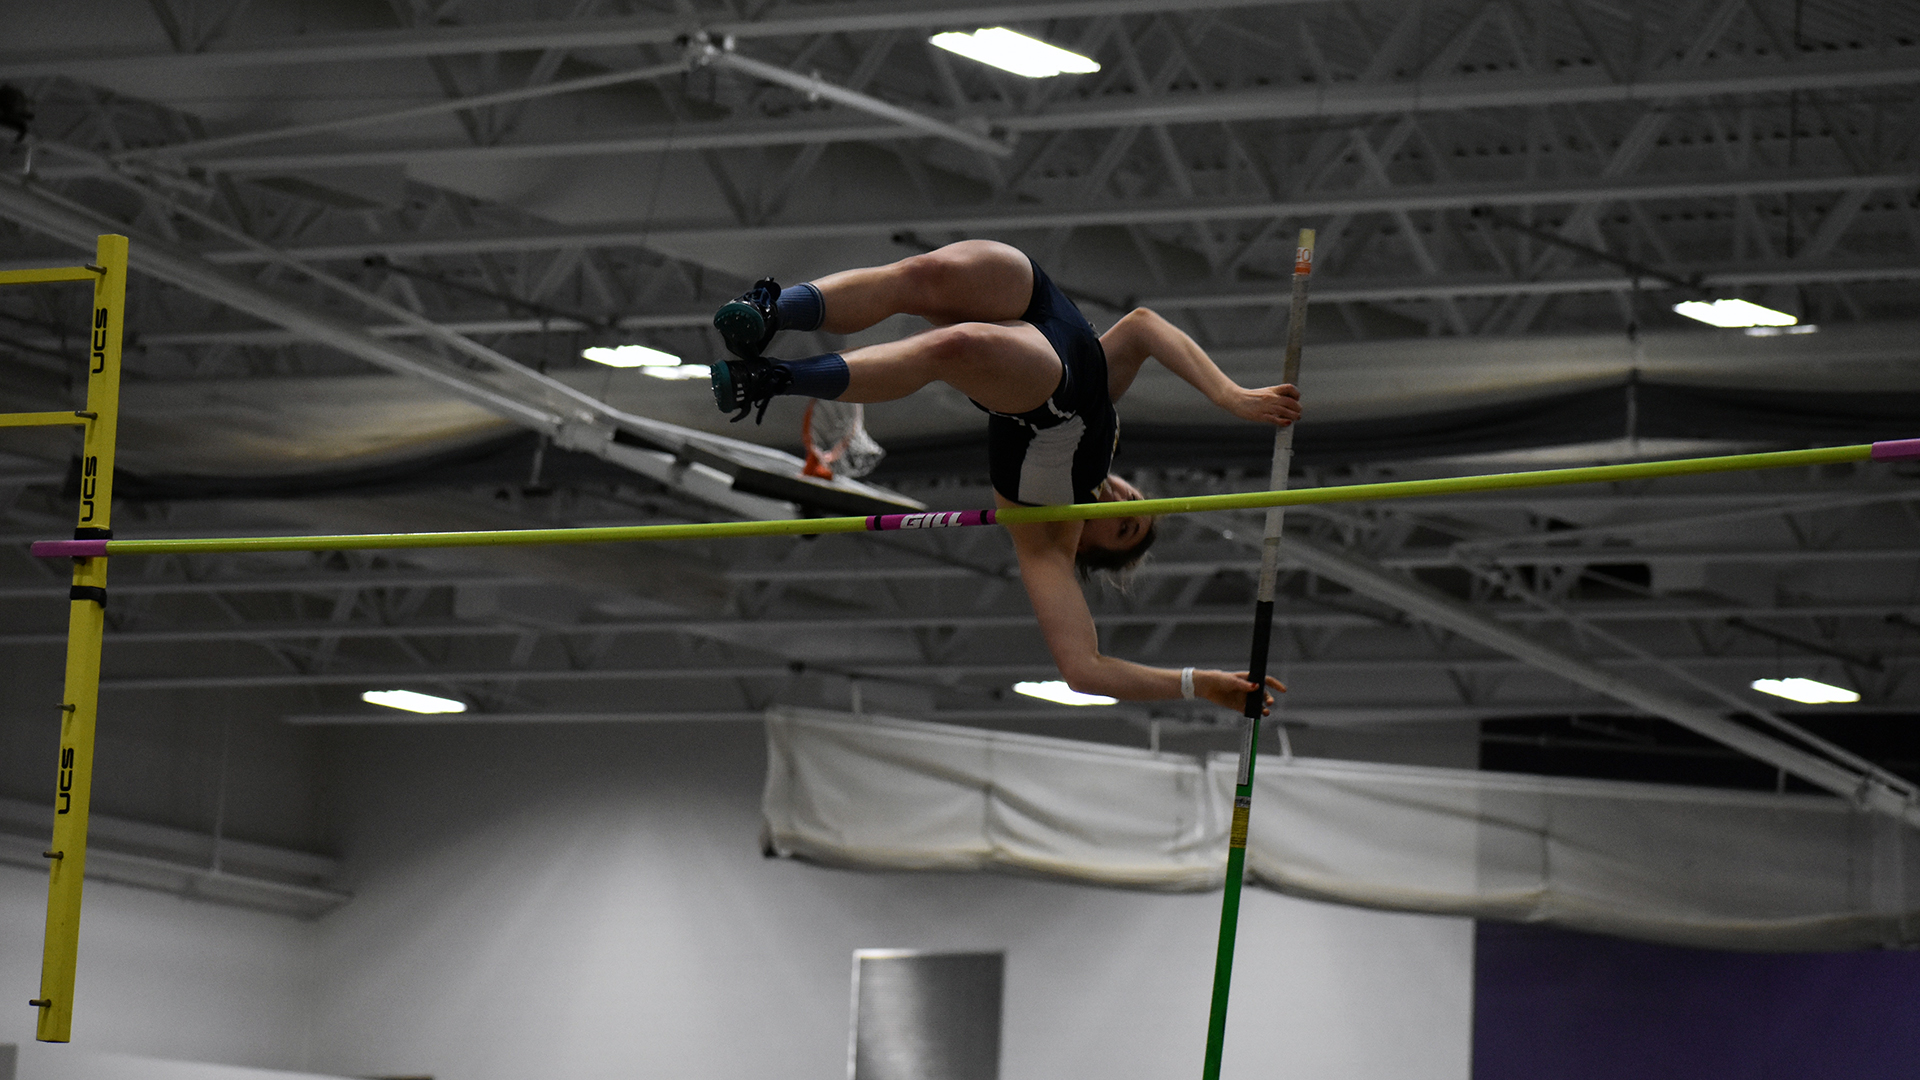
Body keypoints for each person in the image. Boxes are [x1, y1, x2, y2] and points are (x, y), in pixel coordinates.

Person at [707, 240, 1300, 711]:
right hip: (1045, 306)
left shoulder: (1045, 542)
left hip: (1042, 391)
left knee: (952, 347)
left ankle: (774, 378)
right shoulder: (1108, 424)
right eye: (1139, 506)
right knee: (918, 276)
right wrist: (1234, 397)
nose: (1123, 505)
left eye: (1122, 530)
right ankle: (768, 312)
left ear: (1090, 547)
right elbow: (1143, 326)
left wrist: (1198, 684)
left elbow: (1084, 670)